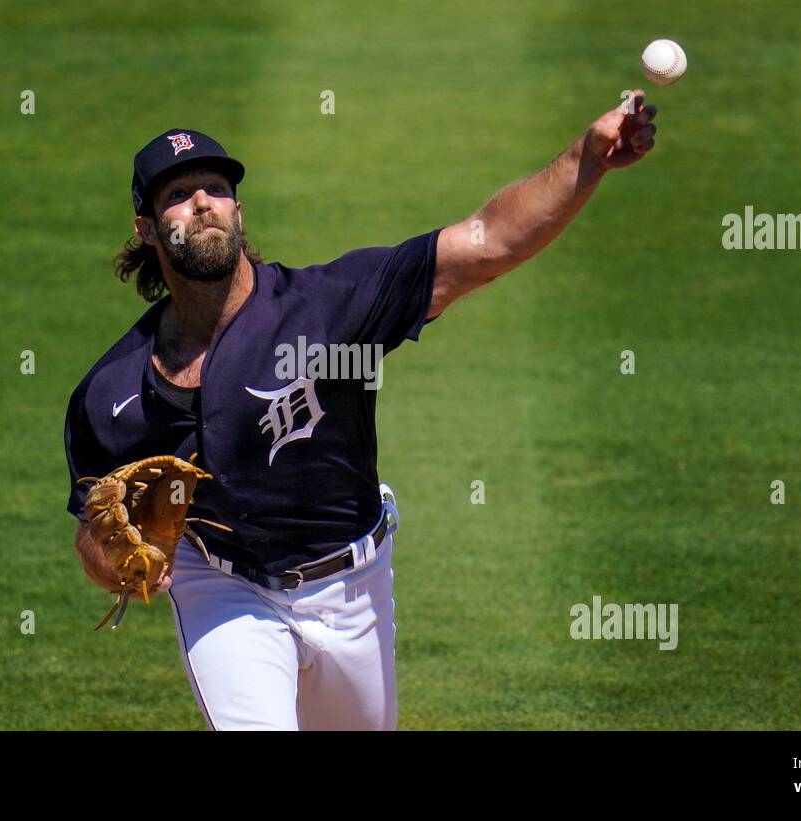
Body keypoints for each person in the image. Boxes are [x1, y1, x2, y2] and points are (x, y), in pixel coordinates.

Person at [64, 96, 658, 730]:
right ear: (147, 228)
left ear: (238, 209)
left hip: (353, 584)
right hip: (223, 588)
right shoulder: (112, 392)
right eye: (179, 195)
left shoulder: (329, 308)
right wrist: (111, 561)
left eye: (217, 187)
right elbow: (93, 538)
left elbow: (491, 241)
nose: (204, 202)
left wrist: (587, 158)